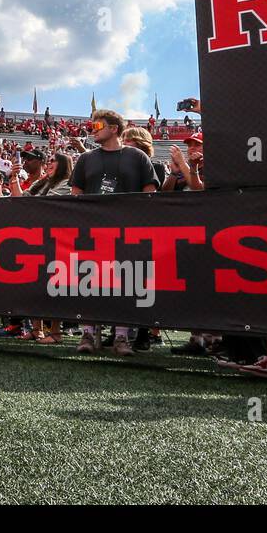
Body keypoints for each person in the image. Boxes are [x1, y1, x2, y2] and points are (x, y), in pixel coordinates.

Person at [69, 108, 156, 356]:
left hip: (128, 231)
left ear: (114, 128)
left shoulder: (138, 157)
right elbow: (76, 195)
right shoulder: (86, 159)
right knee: (89, 281)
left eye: (97, 126)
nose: (92, 130)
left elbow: (150, 194)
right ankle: (87, 333)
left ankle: (121, 337)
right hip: (92, 230)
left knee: (125, 283)